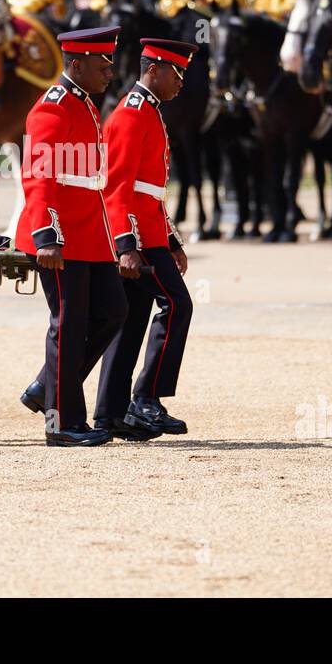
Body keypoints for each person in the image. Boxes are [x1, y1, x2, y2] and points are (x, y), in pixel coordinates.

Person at [15, 26, 127, 446]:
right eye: (102, 65)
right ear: (76, 65)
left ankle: (49, 387)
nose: (110, 72)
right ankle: (61, 423)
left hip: (89, 232)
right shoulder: (53, 107)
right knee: (68, 323)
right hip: (60, 234)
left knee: (113, 311)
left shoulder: (82, 102)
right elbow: (37, 174)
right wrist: (46, 234)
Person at [95, 38, 194, 440]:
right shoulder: (132, 114)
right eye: (177, 73)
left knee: (131, 319)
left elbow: (151, 188)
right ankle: (146, 398)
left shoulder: (148, 111)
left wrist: (171, 238)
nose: (181, 83)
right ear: (153, 69)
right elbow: (115, 186)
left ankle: (111, 413)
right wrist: (125, 244)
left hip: (149, 232)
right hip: (135, 236)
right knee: (177, 304)